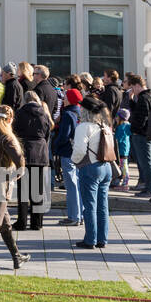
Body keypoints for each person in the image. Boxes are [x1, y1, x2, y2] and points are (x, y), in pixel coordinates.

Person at [0, 104, 28, 271]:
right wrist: (19, 172)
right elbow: (19, 160)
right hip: (1, 184)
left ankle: (16, 256)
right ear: (10, 119)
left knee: (5, 223)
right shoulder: (7, 137)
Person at [72, 95, 115, 250]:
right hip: (106, 167)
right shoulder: (104, 125)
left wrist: (75, 161)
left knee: (89, 205)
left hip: (90, 167)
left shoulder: (84, 127)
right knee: (102, 205)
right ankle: (102, 239)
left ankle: (90, 239)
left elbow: (79, 150)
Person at [12, 90, 51, 230]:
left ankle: (21, 222)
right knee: (38, 190)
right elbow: (47, 133)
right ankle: (37, 223)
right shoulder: (44, 114)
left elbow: (14, 132)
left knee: (23, 191)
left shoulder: (20, 113)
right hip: (40, 152)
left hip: (25, 151)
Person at [52, 88, 83, 227]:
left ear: (70, 99)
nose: (63, 99)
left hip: (67, 152)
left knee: (71, 186)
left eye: (65, 97)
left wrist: (55, 145)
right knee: (77, 184)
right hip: (78, 152)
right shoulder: (80, 112)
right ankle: (80, 214)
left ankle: (73, 216)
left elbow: (64, 136)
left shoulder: (68, 114)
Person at [112, 107, 132, 190]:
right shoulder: (128, 125)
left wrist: (113, 135)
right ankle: (121, 181)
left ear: (120, 117)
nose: (116, 118)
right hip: (125, 149)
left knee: (123, 167)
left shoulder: (121, 127)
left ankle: (125, 184)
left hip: (121, 149)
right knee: (123, 166)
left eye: (117, 116)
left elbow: (118, 138)